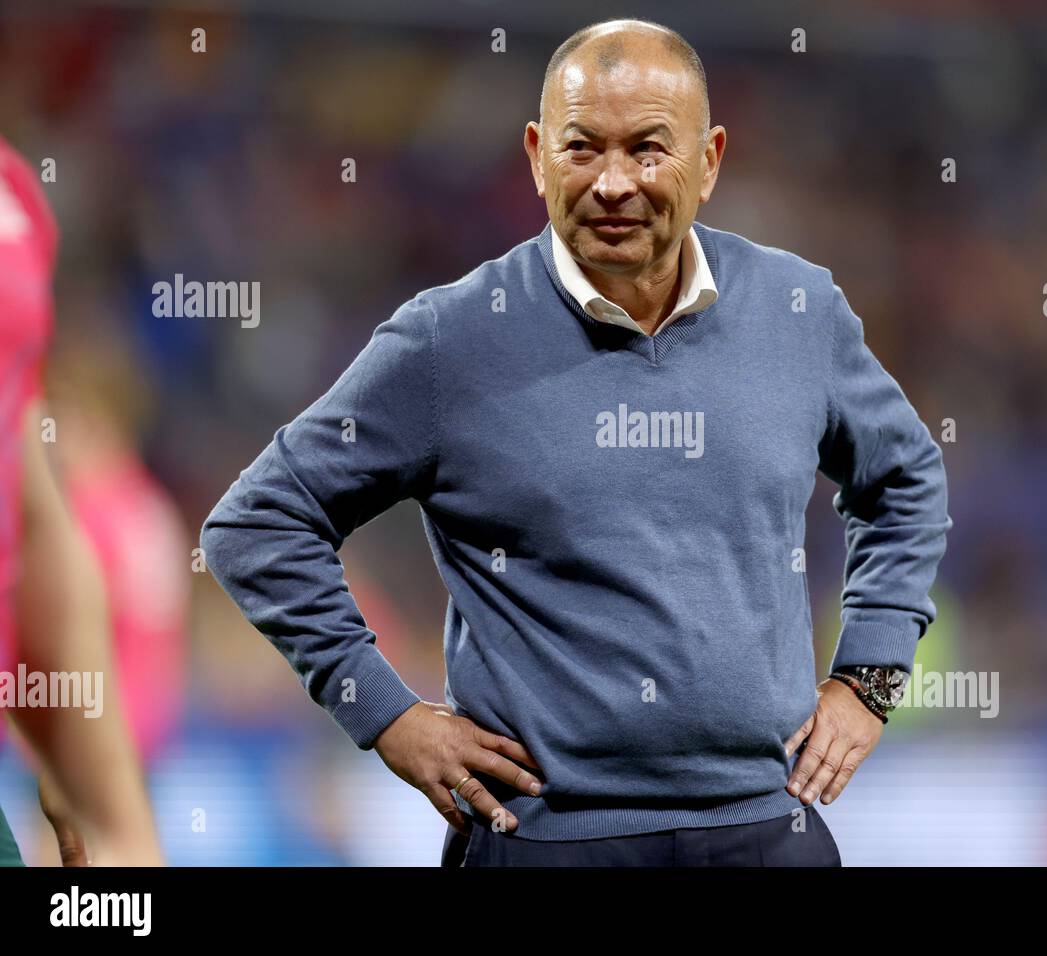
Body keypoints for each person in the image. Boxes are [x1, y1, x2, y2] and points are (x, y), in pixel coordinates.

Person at [201, 17, 950, 867]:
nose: (613, 183)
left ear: (710, 160)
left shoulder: (797, 310)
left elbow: (906, 479)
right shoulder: (449, 341)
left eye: (649, 149)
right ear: (535, 156)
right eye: (582, 147)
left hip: (764, 826)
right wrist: (384, 713)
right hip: (546, 838)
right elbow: (258, 523)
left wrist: (871, 680)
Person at [0, 136, 163, 867]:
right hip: (131, 742)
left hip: (79, 761)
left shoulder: (14, 201)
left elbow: (40, 553)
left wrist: (108, 818)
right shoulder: (147, 510)